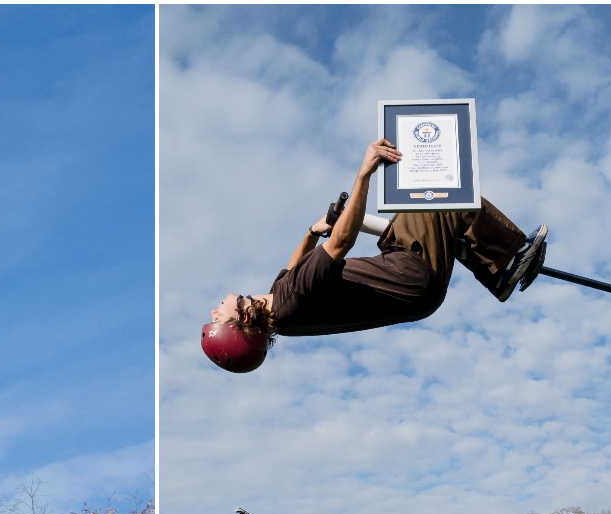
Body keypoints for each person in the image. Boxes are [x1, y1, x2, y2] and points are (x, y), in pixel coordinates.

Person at [202, 139, 546, 373]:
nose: (215, 310)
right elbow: (341, 243)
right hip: (411, 275)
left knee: (413, 217)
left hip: (408, 281)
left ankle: (497, 276)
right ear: (242, 321)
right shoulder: (291, 300)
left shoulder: (279, 308)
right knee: (437, 192)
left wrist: (311, 232)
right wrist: (363, 173)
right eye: (218, 318)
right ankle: (510, 259)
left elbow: (292, 267)